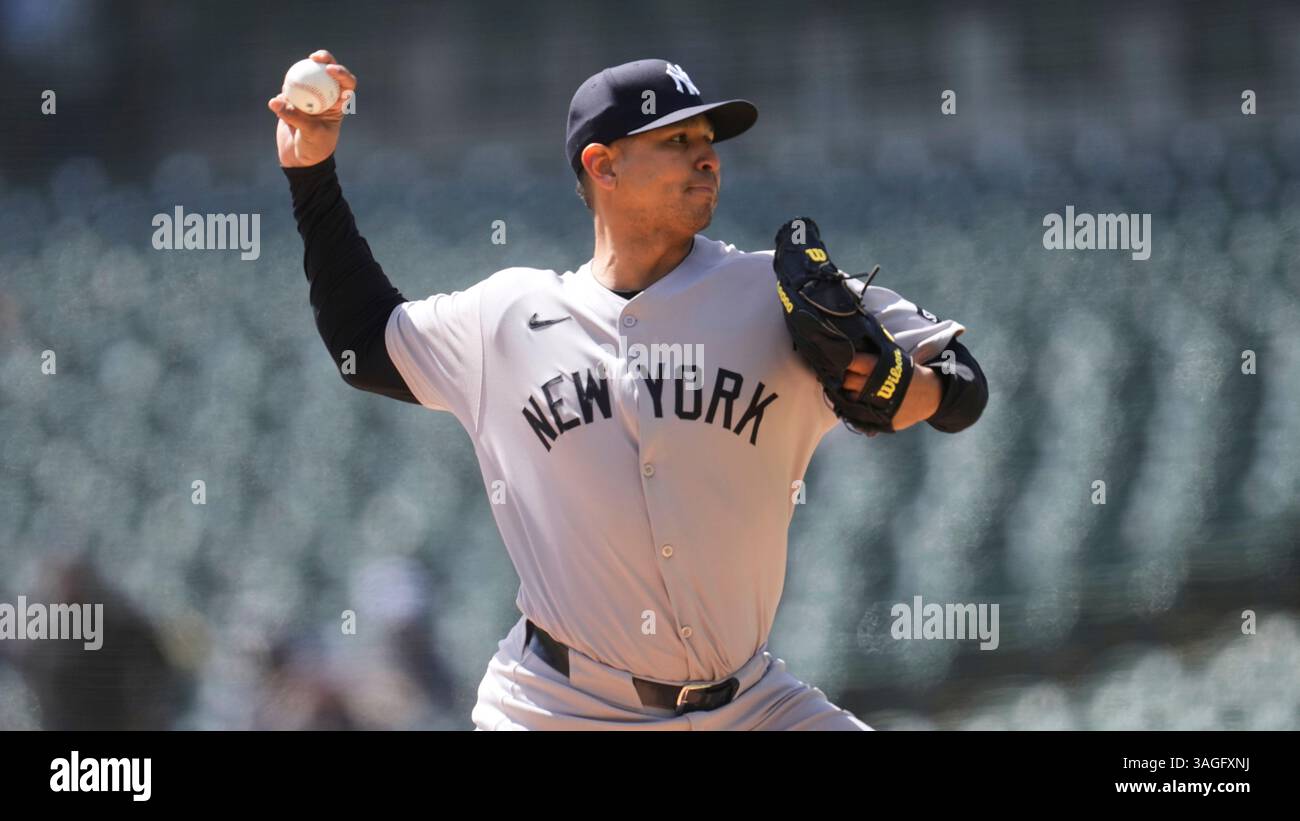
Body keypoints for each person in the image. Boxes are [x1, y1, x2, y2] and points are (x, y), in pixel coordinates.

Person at [269, 53, 988, 730]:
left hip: (749, 705)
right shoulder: (508, 317)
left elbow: (963, 385)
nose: (706, 154)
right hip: (555, 705)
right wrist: (312, 175)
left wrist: (909, 390)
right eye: (675, 140)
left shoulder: (776, 291)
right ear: (602, 164)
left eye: (709, 138)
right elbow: (363, 343)